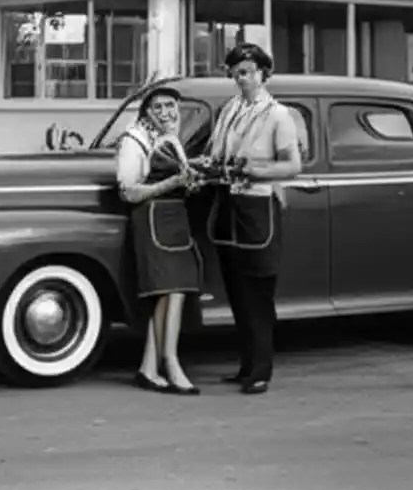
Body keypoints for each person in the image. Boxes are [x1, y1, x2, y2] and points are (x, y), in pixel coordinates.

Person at [200, 43, 301, 395]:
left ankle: (261, 370)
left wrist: (257, 169)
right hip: (229, 204)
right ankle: (246, 365)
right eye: (236, 72)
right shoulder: (230, 109)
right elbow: (217, 150)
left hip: (259, 208)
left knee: (258, 293)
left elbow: (293, 166)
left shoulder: (278, 114)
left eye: (247, 71)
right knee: (237, 291)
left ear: (263, 74)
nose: (241, 78)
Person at [116, 85, 203, 395]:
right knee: (171, 291)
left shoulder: (167, 137)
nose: (166, 112)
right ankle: (172, 362)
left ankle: (149, 368)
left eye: (171, 105)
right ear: (146, 112)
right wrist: (173, 182)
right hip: (153, 218)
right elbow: (129, 191)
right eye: (158, 107)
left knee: (170, 292)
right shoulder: (134, 141)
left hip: (172, 219)